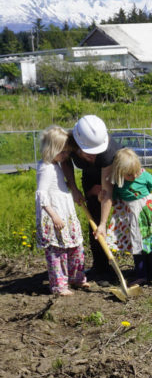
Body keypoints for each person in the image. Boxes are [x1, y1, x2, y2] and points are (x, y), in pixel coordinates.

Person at [62, 115, 123, 286]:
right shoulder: (69, 142)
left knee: (104, 222)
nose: (92, 155)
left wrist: (103, 223)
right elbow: (65, 163)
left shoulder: (107, 152)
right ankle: (100, 267)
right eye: (89, 153)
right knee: (93, 221)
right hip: (89, 176)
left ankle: (142, 267)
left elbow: (106, 190)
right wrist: (73, 188)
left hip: (114, 176)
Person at [100, 148, 152, 287]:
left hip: (148, 214)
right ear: (120, 172)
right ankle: (141, 275)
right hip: (132, 218)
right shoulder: (119, 183)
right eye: (129, 175)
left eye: (136, 172)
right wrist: (101, 196)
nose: (134, 176)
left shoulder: (145, 176)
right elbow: (112, 199)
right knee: (137, 245)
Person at [37, 126, 87, 295]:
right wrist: (54, 216)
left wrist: (72, 189)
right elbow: (41, 194)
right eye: (63, 152)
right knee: (57, 253)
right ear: (53, 149)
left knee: (76, 248)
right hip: (55, 216)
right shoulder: (45, 168)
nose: (66, 156)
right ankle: (59, 285)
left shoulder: (56, 164)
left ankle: (76, 277)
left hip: (65, 212)